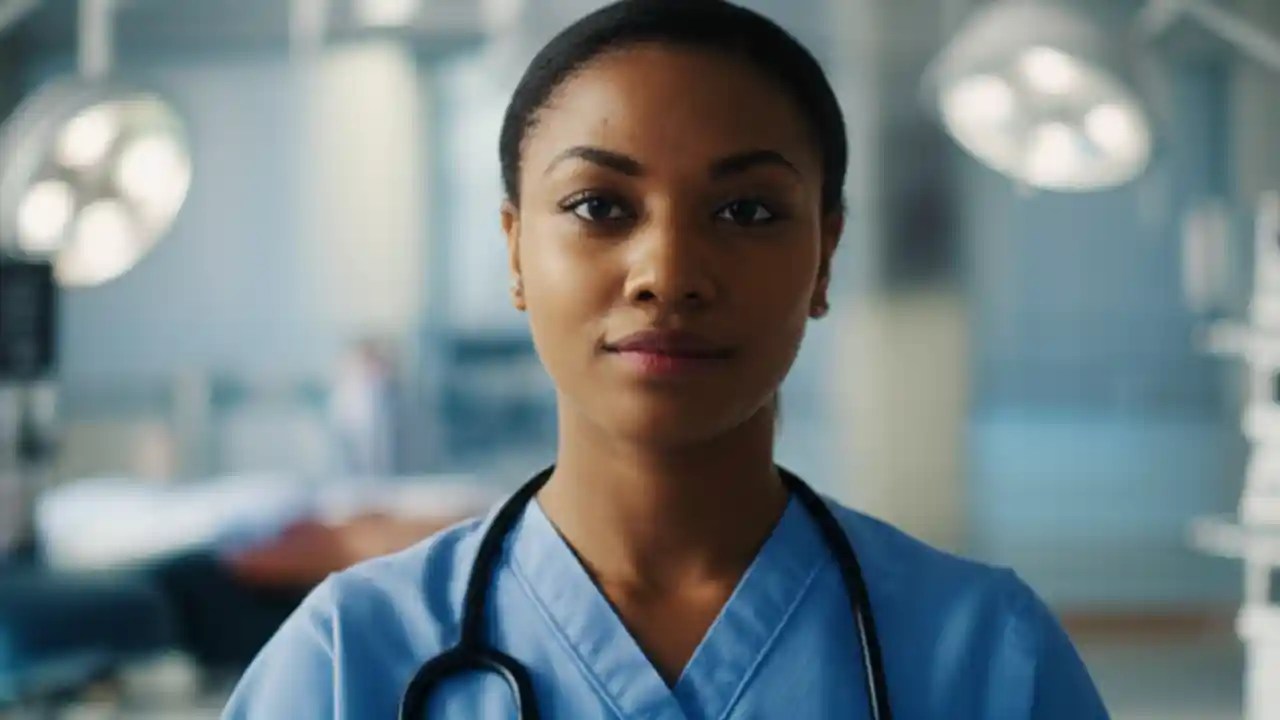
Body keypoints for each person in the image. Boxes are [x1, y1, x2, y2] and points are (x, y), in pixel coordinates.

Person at [223, 1, 1110, 717]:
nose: (669, 275)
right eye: (600, 206)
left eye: (748, 212)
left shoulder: (990, 658)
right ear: (516, 254)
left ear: (825, 259)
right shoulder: (349, 662)